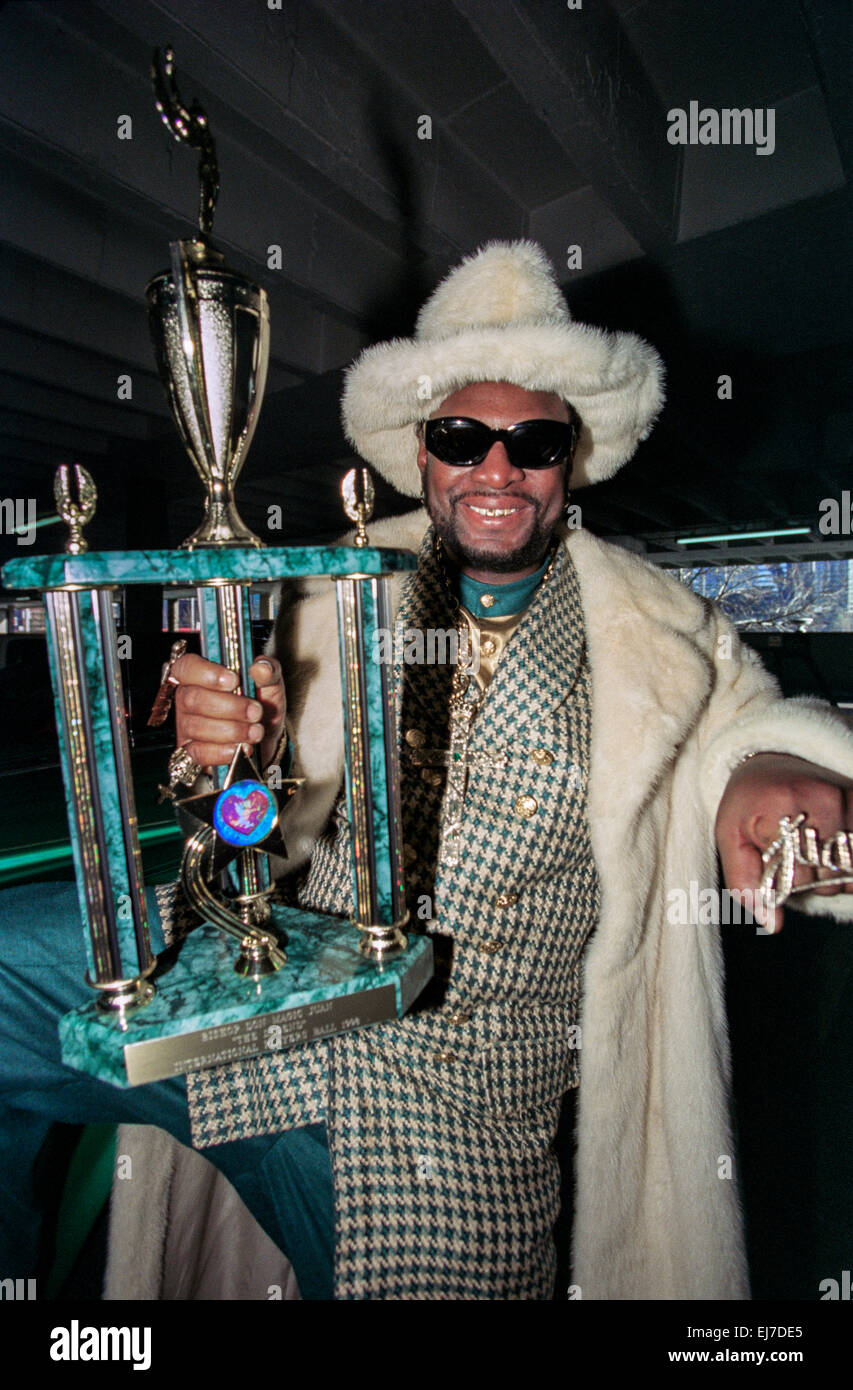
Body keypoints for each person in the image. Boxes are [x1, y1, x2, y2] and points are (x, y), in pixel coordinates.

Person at [3, 241, 853, 1300]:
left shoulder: (660, 630)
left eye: (531, 441)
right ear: (423, 451)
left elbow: (751, 728)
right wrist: (223, 748)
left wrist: (777, 774)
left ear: (569, 457)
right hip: (261, 1004)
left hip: (457, 1123)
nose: (497, 469)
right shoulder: (335, 590)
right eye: (464, 437)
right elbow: (256, 820)